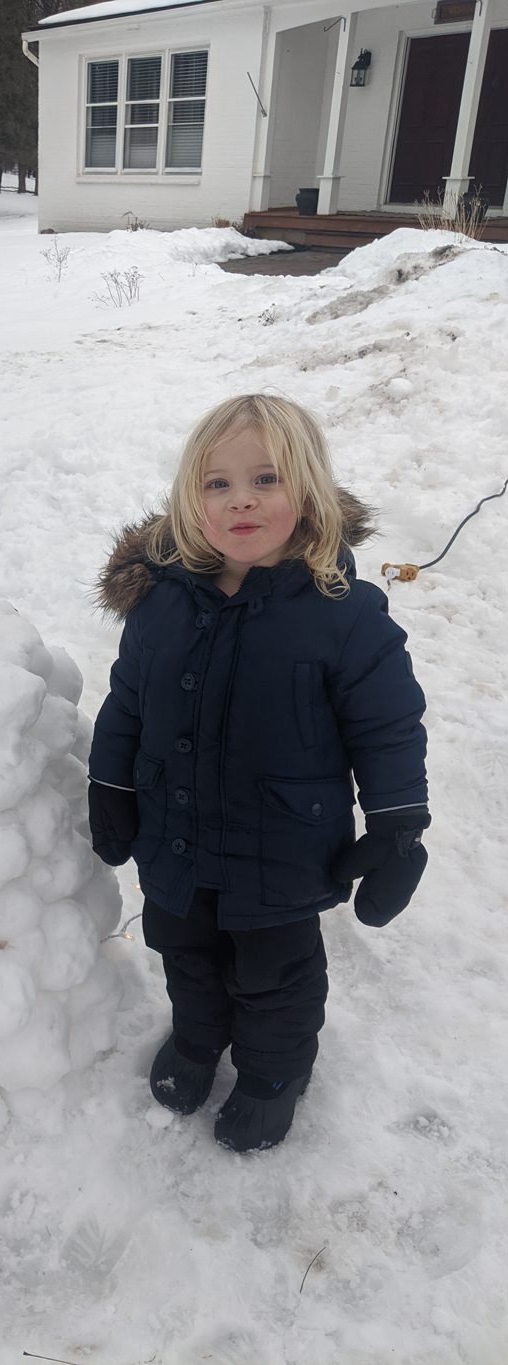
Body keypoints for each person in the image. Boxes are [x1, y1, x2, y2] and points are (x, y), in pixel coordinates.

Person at [87, 394, 429, 1153]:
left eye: (266, 479)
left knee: (275, 977)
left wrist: (400, 824)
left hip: (282, 852)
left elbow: (388, 726)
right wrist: (109, 783)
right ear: (190, 501)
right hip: (176, 839)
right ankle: (199, 1041)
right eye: (217, 484)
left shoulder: (345, 614)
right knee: (185, 953)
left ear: (306, 494)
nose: (240, 498)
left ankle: (275, 1073)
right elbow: (128, 705)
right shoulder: (162, 608)